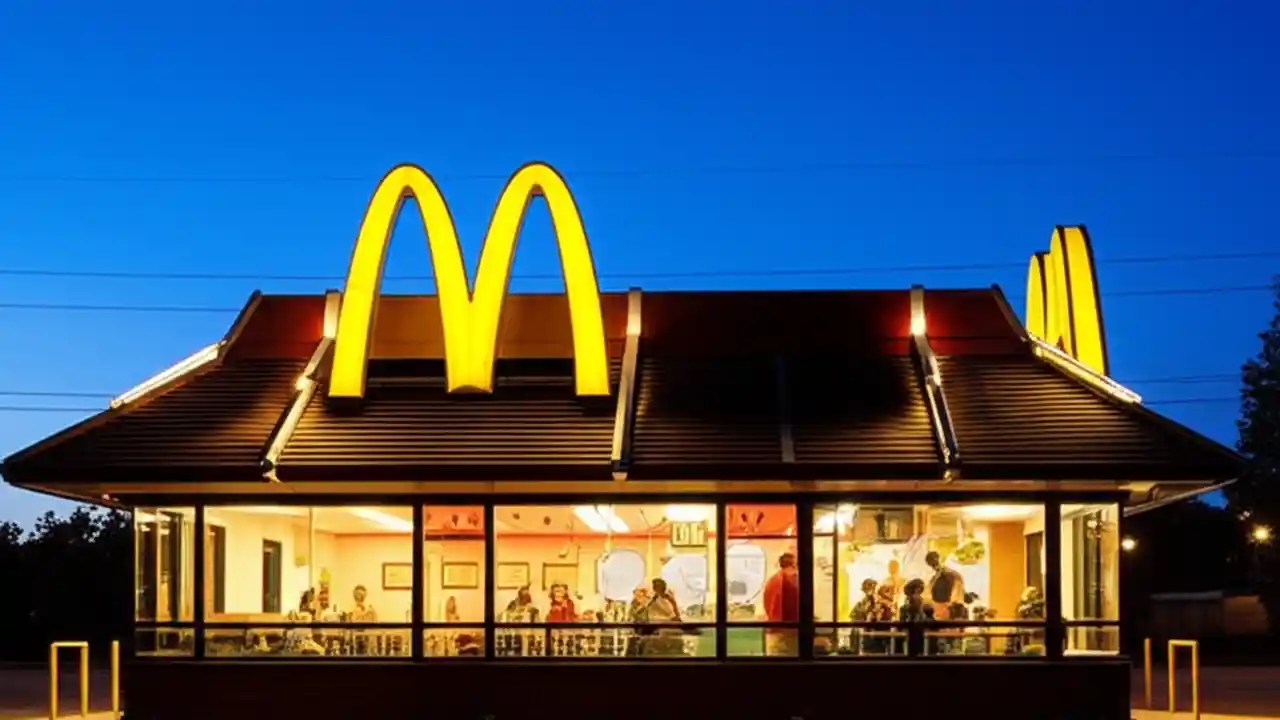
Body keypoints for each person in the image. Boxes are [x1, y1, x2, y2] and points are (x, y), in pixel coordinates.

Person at [925, 551, 965, 619]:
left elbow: (958, 593)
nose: (934, 566)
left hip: (951, 610)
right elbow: (929, 594)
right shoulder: (933, 579)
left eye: (935, 562)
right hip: (939, 610)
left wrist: (950, 605)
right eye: (932, 564)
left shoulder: (954, 575)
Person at [763, 552, 800, 623]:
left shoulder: (773, 580)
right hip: (785, 624)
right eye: (795, 565)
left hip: (779, 622)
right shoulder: (783, 581)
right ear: (793, 565)